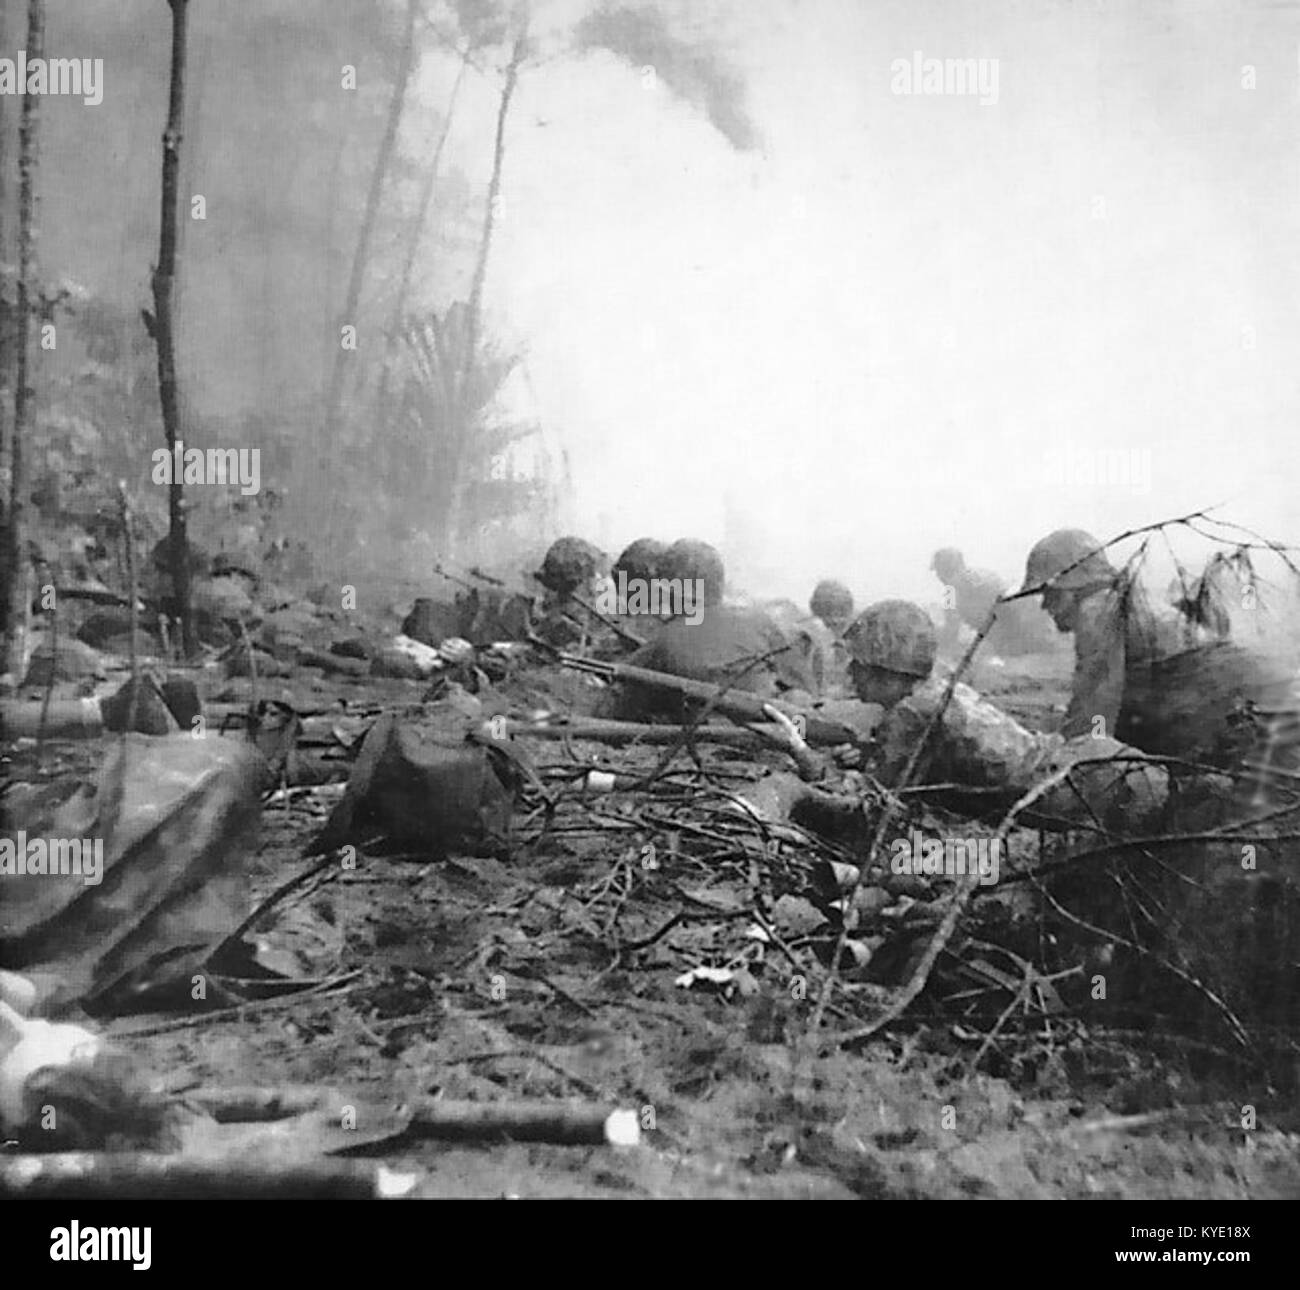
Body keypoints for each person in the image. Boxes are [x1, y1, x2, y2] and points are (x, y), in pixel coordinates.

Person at [1017, 530, 1295, 787]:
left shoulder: (1097, 610)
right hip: (1258, 701)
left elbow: (1096, 708)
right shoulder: (1122, 601)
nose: (1045, 605)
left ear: (1074, 585)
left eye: (1050, 594)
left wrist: (1056, 771)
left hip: (1249, 707)